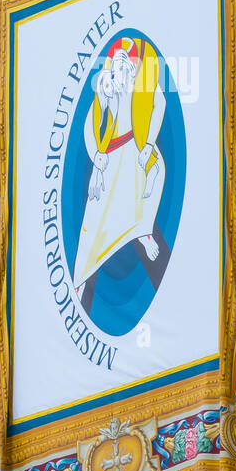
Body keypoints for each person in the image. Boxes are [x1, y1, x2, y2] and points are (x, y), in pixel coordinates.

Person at [72, 36, 166, 294]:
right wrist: (96, 155)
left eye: (129, 63)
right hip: (111, 156)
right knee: (94, 220)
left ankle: (143, 232)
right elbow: (91, 124)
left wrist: (148, 145)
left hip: (136, 147)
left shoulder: (143, 83)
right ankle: (80, 279)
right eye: (120, 62)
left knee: (157, 174)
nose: (125, 68)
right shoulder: (106, 85)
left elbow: (160, 105)